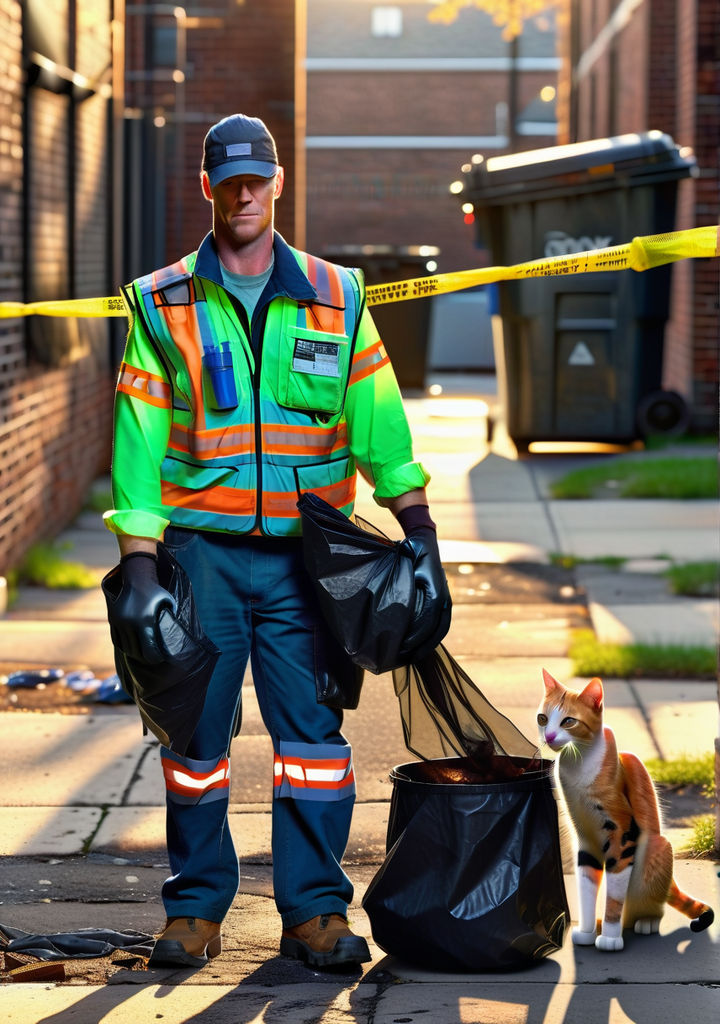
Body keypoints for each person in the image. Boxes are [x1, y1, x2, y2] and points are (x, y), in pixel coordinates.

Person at [104, 114, 449, 970]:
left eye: (257, 178)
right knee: (194, 746)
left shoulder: (337, 295)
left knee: (314, 746)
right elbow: (139, 441)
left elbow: (378, 426)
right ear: (207, 187)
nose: (244, 192)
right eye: (229, 180)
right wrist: (140, 566)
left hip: (308, 563)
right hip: (203, 558)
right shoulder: (163, 303)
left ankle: (315, 912)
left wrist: (422, 534)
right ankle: (195, 909)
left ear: (279, 182)